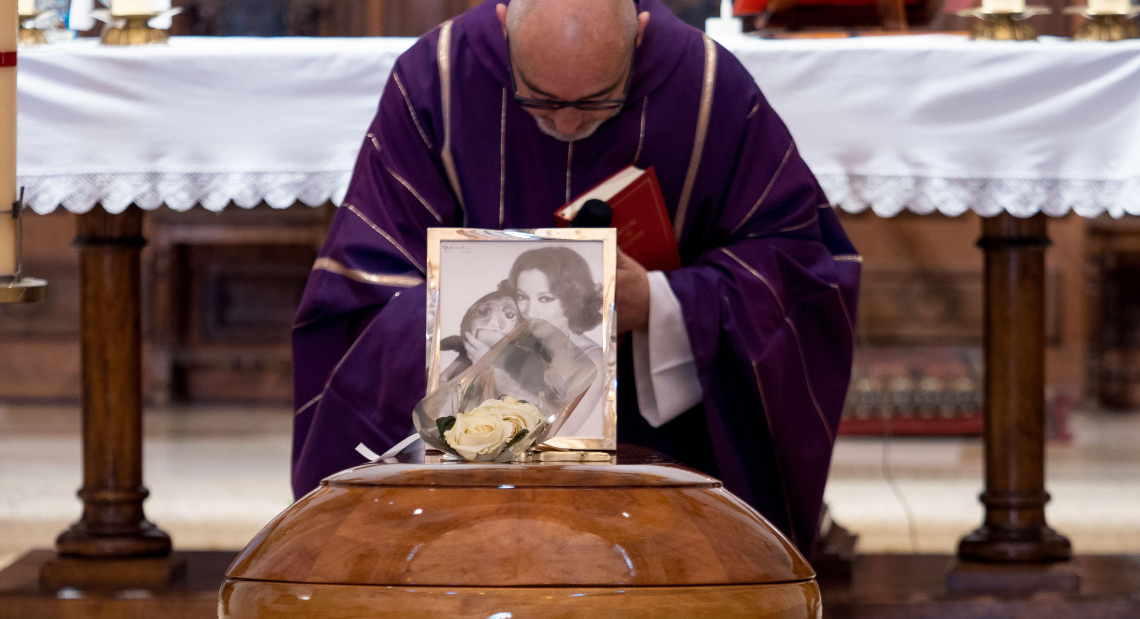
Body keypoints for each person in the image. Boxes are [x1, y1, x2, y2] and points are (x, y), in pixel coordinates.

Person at [292, 0, 860, 554]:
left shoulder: (709, 87)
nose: (565, 123)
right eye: (537, 100)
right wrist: (464, 319)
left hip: (657, 434)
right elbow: (362, 275)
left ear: (638, 36)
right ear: (502, 31)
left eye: (597, 102)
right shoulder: (437, 76)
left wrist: (664, 303)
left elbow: (800, 267)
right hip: (463, 443)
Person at [505, 246, 605, 437]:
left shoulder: (593, 360)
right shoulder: (515, 346)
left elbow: (556, 434)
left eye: (545, 299)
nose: (530, 311)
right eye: (522, 297)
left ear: (572, 300)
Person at [438, 288, 521, 382]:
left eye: (509, 315)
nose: (492, 322)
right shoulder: (446, 347)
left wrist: (487, 365)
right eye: (482, 311)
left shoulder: (520, 370)